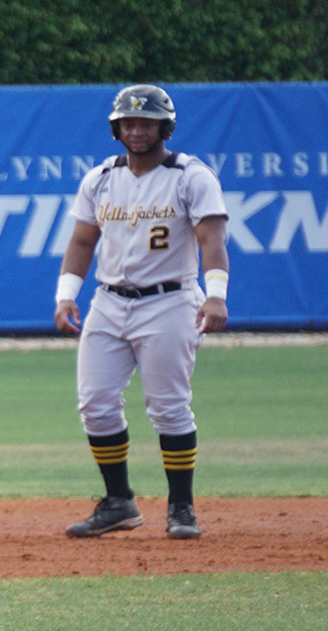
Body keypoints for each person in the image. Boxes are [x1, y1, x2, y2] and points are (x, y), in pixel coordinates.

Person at [53, 84, 229, 540]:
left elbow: (212, 240)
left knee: (169, 407)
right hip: (109, 302)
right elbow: (82, 242)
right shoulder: (101, 177)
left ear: (163, 127)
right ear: (117, 127)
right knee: (95, 404)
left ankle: (181, 507)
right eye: (128, 122)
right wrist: (66, 294)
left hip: (170, 301)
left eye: (146, 122)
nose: (136, 130)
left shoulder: (190, 176)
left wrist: (216, 294)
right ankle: (118, 502)